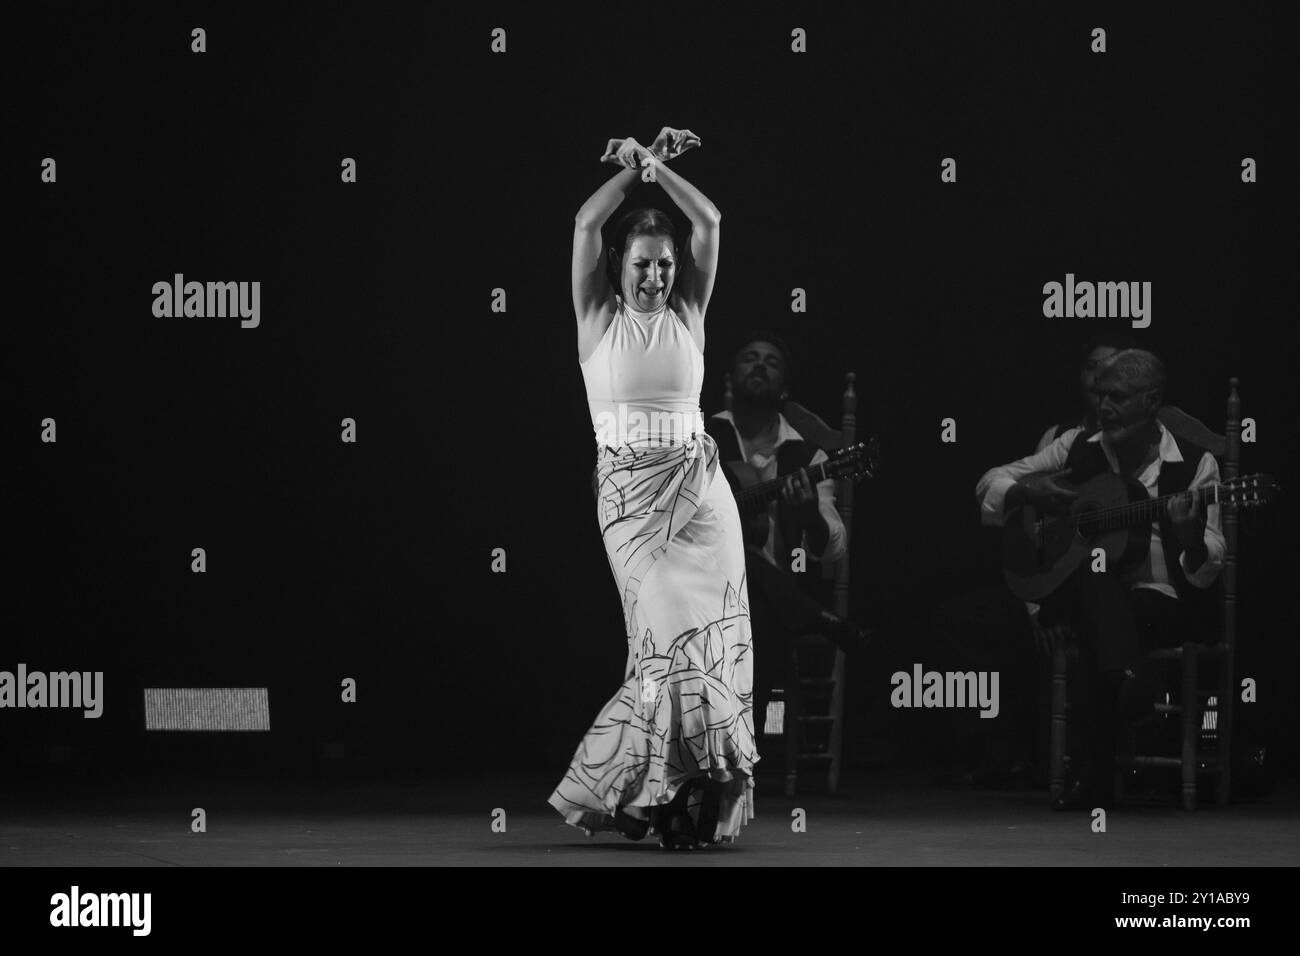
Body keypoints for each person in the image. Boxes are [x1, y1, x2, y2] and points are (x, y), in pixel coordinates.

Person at [548, 128, 757, 849]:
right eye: (642, 264)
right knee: (664, 631)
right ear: (619, 265)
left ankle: (676, 791)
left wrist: (660, 170)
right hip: (630, 497)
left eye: (665, 265)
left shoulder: (689, 315)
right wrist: (631, 172)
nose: (656, 277)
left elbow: (710, 223)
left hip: (700, 494)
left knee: (703, 650)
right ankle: (646, 786)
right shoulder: (596, 320)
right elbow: (583, 222)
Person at [975, 349, 1225, 808]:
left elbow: (1209, 566)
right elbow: (988, 484)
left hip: (1161, 602)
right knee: (1094, 575)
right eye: (1102, 396)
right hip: (1079, 595)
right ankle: (1131, 677)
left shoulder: (1196, 464)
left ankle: (1095, 776)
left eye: (1119, 398)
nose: (1105, 408)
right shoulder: (1076, 446)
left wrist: (1189, 540)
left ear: (1151, 402)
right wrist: (1030, 493)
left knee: (1098, 614)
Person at [705, 333, 866, 736]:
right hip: (697, 584)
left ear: (785, 389)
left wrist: (810, 515)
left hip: (763, 605)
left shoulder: (809, 458)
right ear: (731, 377)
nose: (760, 365)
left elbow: (834, 548)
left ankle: (744, 749)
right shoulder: (698, 440)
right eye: (750, 358)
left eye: (772, 362)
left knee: (752, 601)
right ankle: (816, 617)